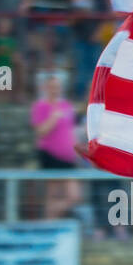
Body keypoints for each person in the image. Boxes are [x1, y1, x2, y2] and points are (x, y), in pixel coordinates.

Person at [30, 71, 81, 219]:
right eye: (52, 86)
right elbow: (40, 131)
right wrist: (53, 117)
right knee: (52, 194)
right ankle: (49, 222)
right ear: (45, 88)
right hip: (50, 155)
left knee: (74, 196)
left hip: (68, 158)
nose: (55, 89)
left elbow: (70, 131)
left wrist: (76, 151)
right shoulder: (40, 106)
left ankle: (51, 217)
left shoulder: (67, 105)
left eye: (57, 86)